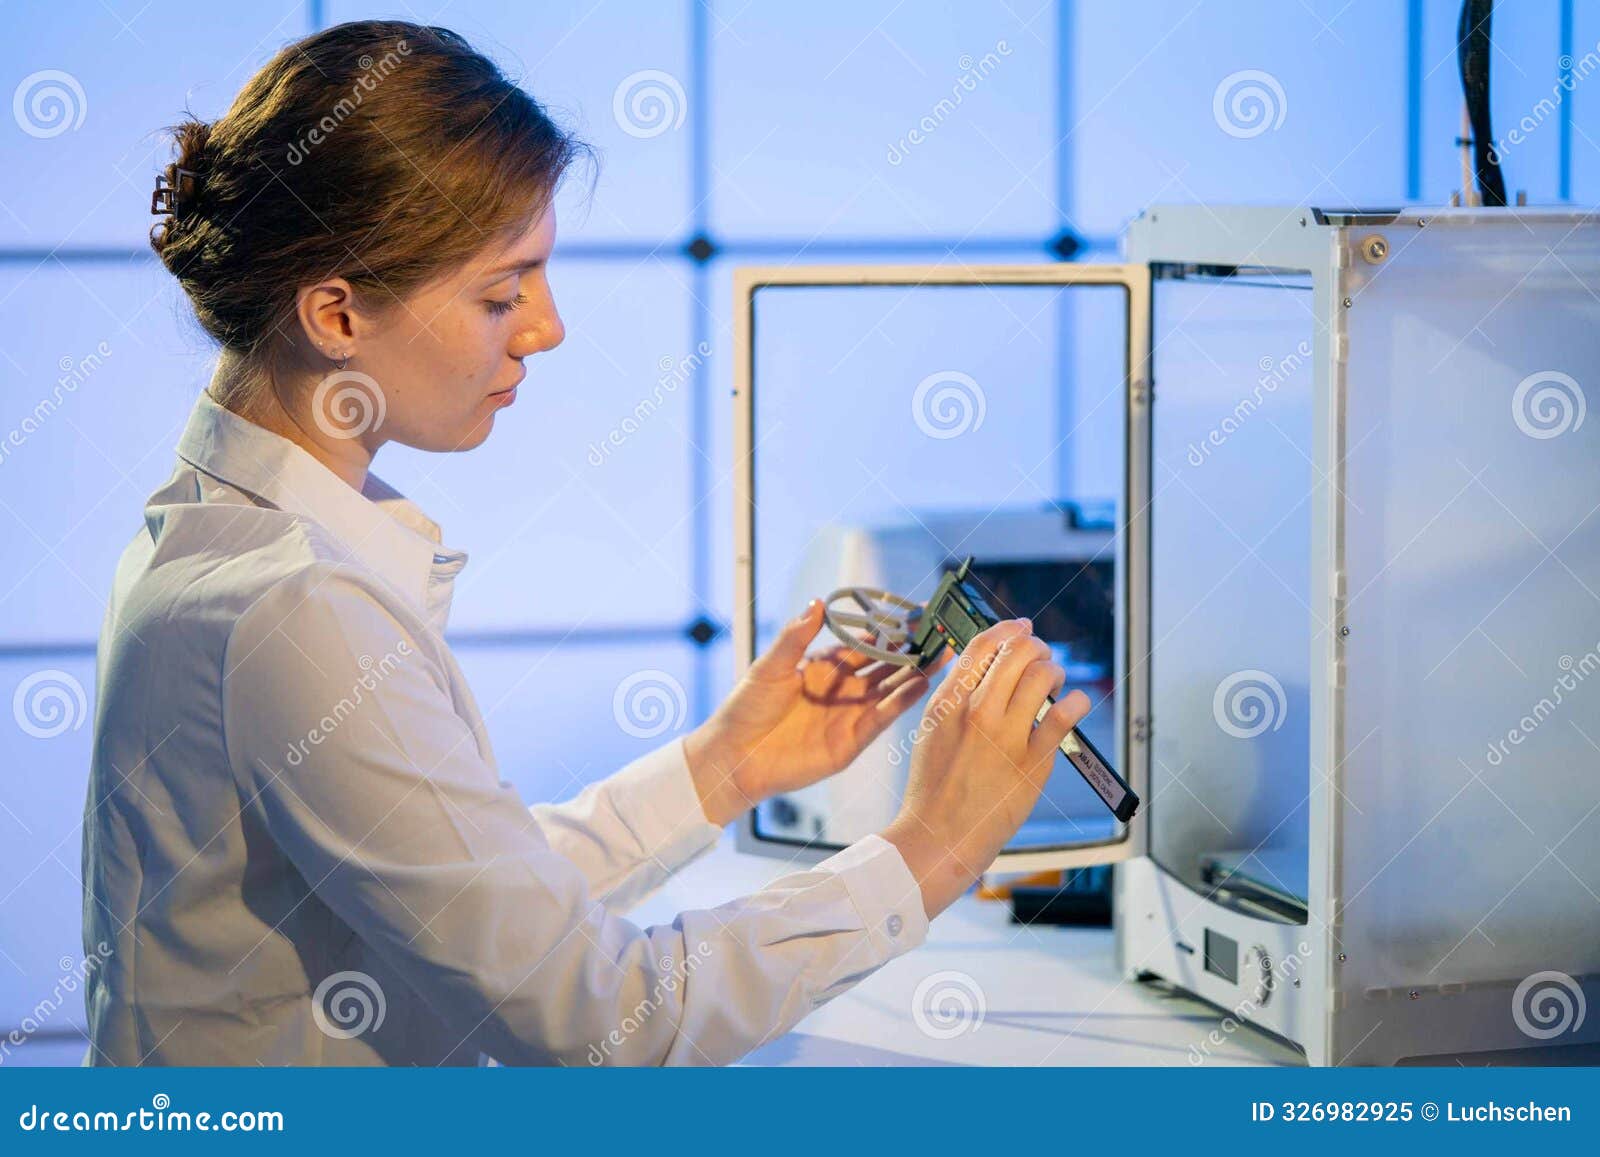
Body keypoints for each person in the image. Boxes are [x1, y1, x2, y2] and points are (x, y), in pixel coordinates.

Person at [82, 19, 1090, 1066]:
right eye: (499, 292)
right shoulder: (290, 609)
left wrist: (725, 762)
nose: (545, 327)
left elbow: (470, 903)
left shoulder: (217, 540)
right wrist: (934, 845)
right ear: (336, 315)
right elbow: (595, 1014)